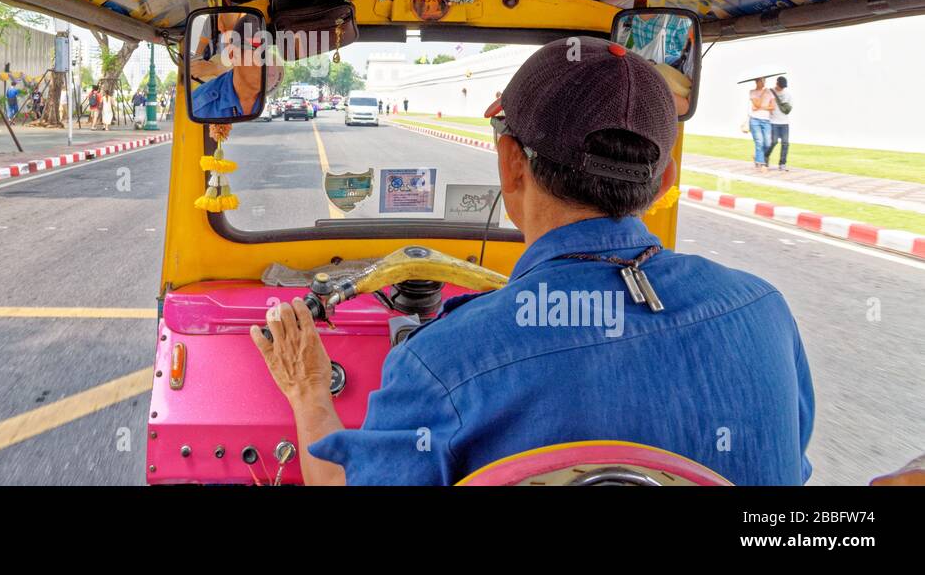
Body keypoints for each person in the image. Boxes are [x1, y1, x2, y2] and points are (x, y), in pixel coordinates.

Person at [253, 37, 813, 485]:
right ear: (665, 181)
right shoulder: (765, 312)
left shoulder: (444, 364)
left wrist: (307, 389)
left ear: (511, 165)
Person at [747, 77, 776, 171]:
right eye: (762, 81)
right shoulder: (752, 92)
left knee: (768, 143)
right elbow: (757, 105)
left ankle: (757, 156)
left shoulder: (770, 92)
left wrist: (761, 107)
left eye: (764, 80)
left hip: (766, 120)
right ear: (757, 82)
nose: (764, 82)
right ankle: (762, 164)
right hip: (755, 120)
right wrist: (763, 93)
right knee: (759, 142)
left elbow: (772, 107)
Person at [767, 76, 793, 172]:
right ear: (776, 83)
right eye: (781, 86)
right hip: (773, 122)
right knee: (773, 141)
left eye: (783, 86)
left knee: (785, 143)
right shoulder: (770, 92)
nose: (782, 88)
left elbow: (789, 109)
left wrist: (786, 107)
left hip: (785, 123)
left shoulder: (788, 94)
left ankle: (782, 164)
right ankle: (766, 156)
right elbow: (766, 105)